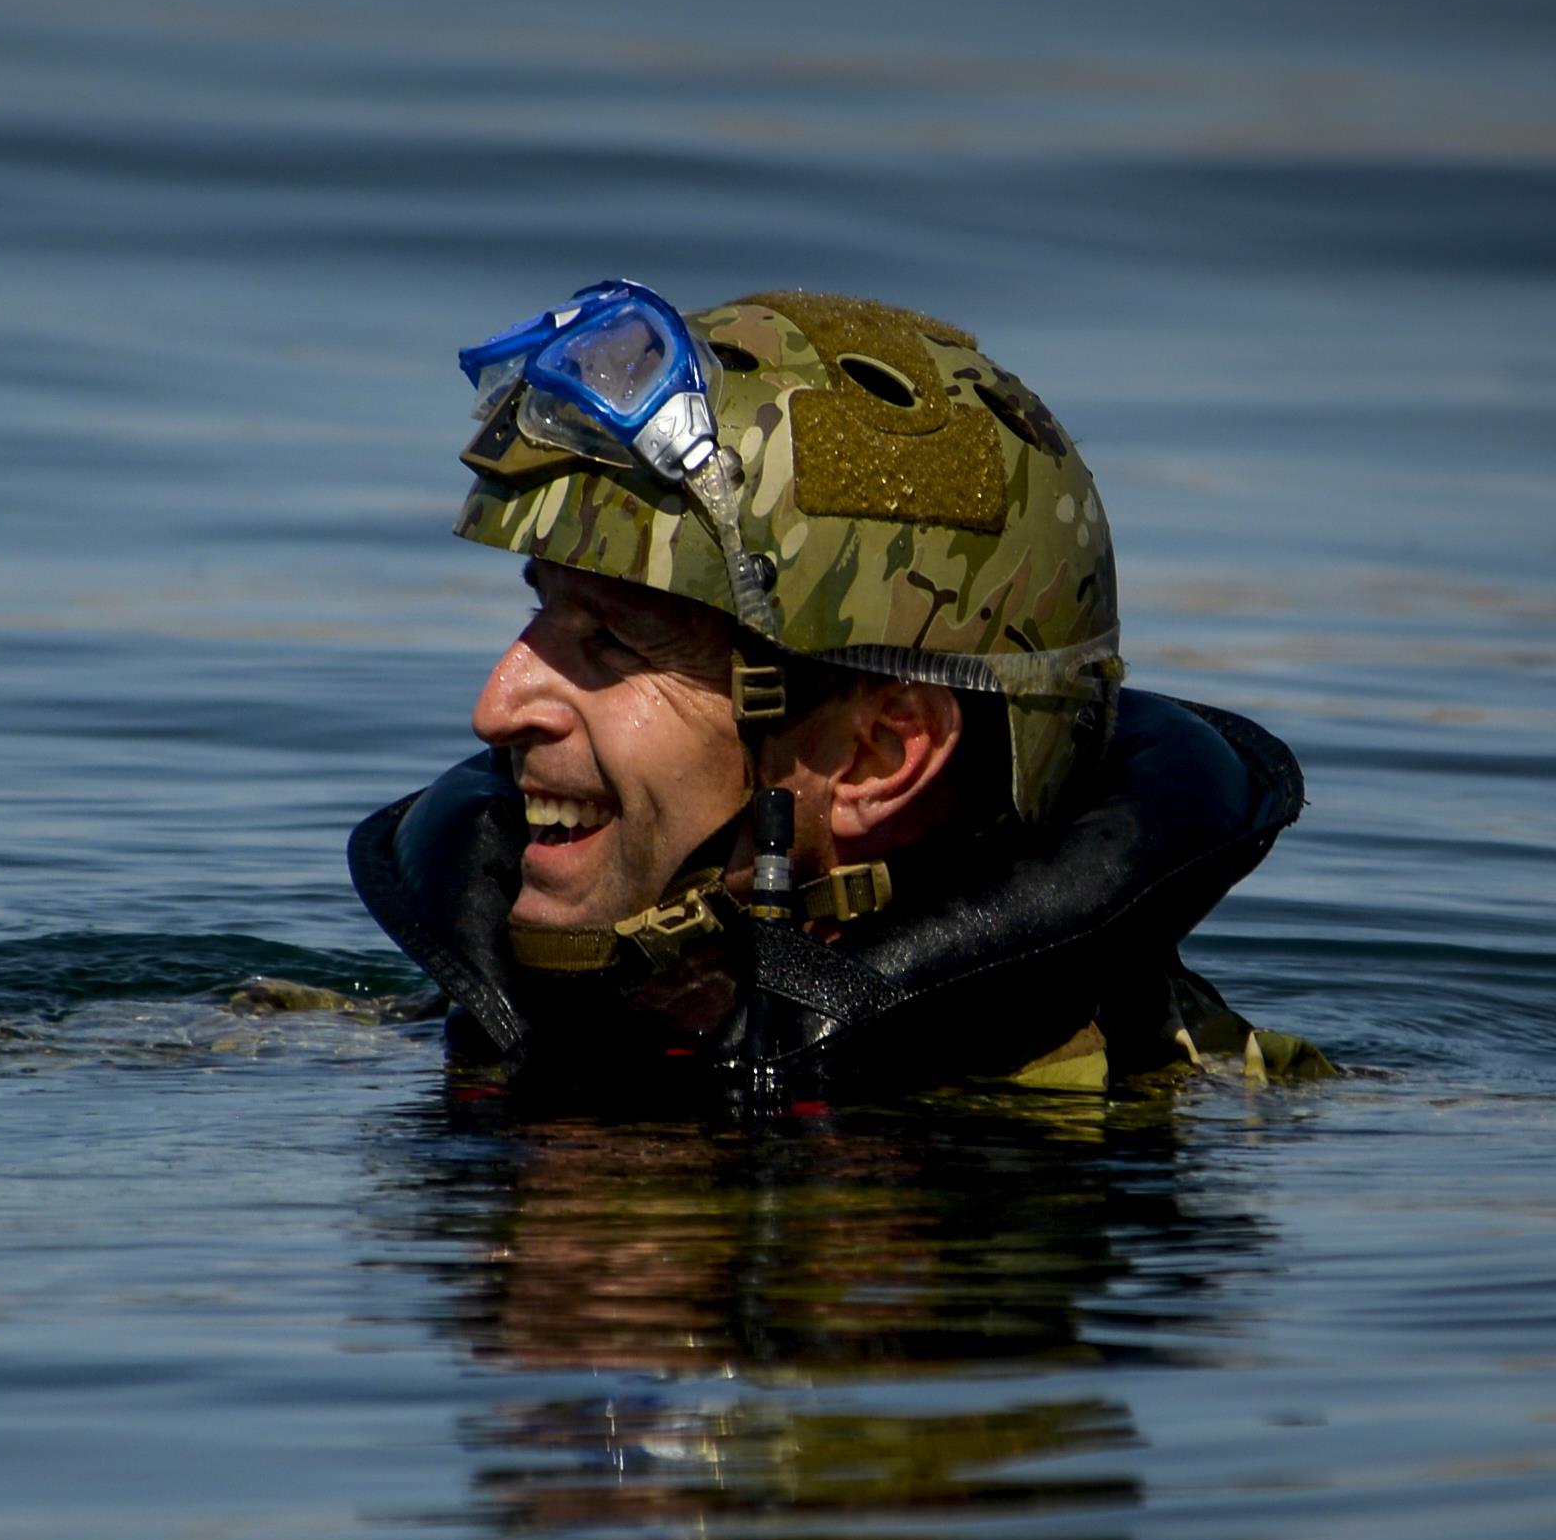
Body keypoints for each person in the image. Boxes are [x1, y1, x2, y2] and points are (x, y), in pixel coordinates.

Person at [347, 281, 1327, 1097]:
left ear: (878, 756)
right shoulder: (462, 1021)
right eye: (541, 615)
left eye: (610, 641)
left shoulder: (1125, 1110)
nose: (498, 704)